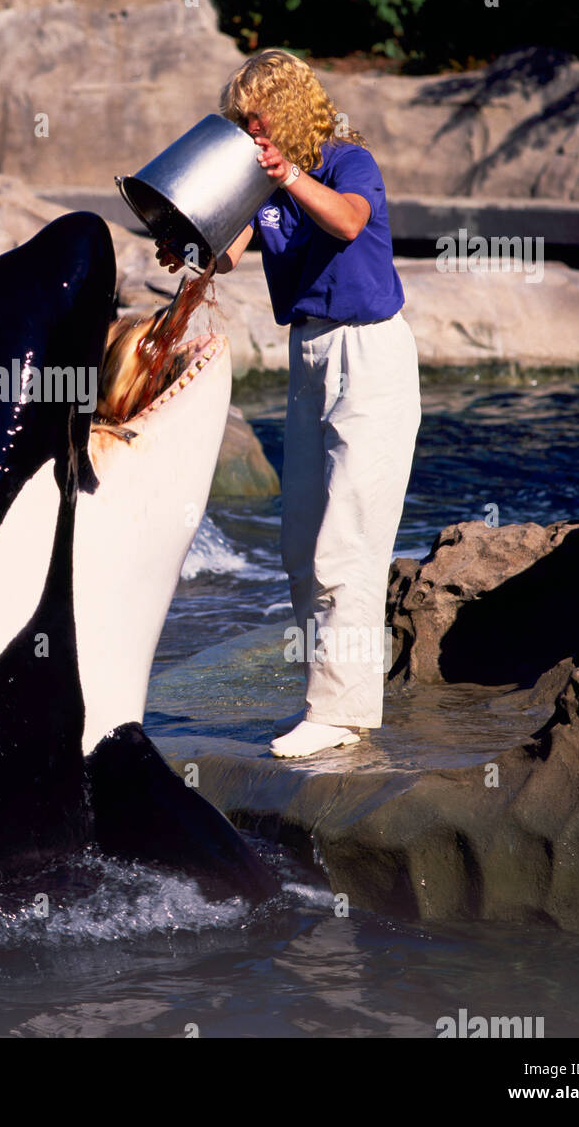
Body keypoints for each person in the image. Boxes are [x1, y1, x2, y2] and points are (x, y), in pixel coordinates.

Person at [160, 48, 420, 759]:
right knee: (301, 544)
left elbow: (345, 221)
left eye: (257, 116)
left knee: (349, 541)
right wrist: (186, 243)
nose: (249, 130)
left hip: (369, 356)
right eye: (240, 120)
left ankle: (340, 711)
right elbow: (226, 252)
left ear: (290, 110)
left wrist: (290, 174)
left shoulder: (344, 161)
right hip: (308, 356)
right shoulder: (261, 185)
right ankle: (328, 700)